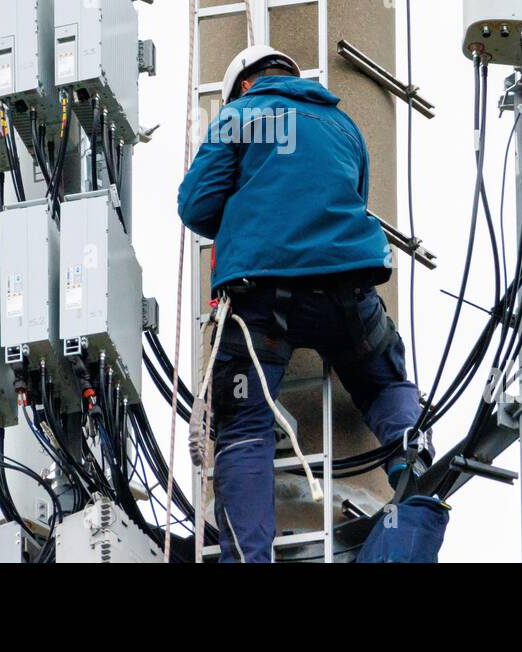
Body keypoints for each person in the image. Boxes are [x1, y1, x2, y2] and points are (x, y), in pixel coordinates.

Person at [178, 44, 431, 562]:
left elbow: (196, 205)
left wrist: (242, 219)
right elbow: (353, 199)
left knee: (244, 423)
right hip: (348, 292)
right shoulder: (344, 125)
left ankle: (250, 557)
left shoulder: (240, 114)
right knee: (384, 381)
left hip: (265, 301)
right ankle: (415, 473)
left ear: (244, 84)